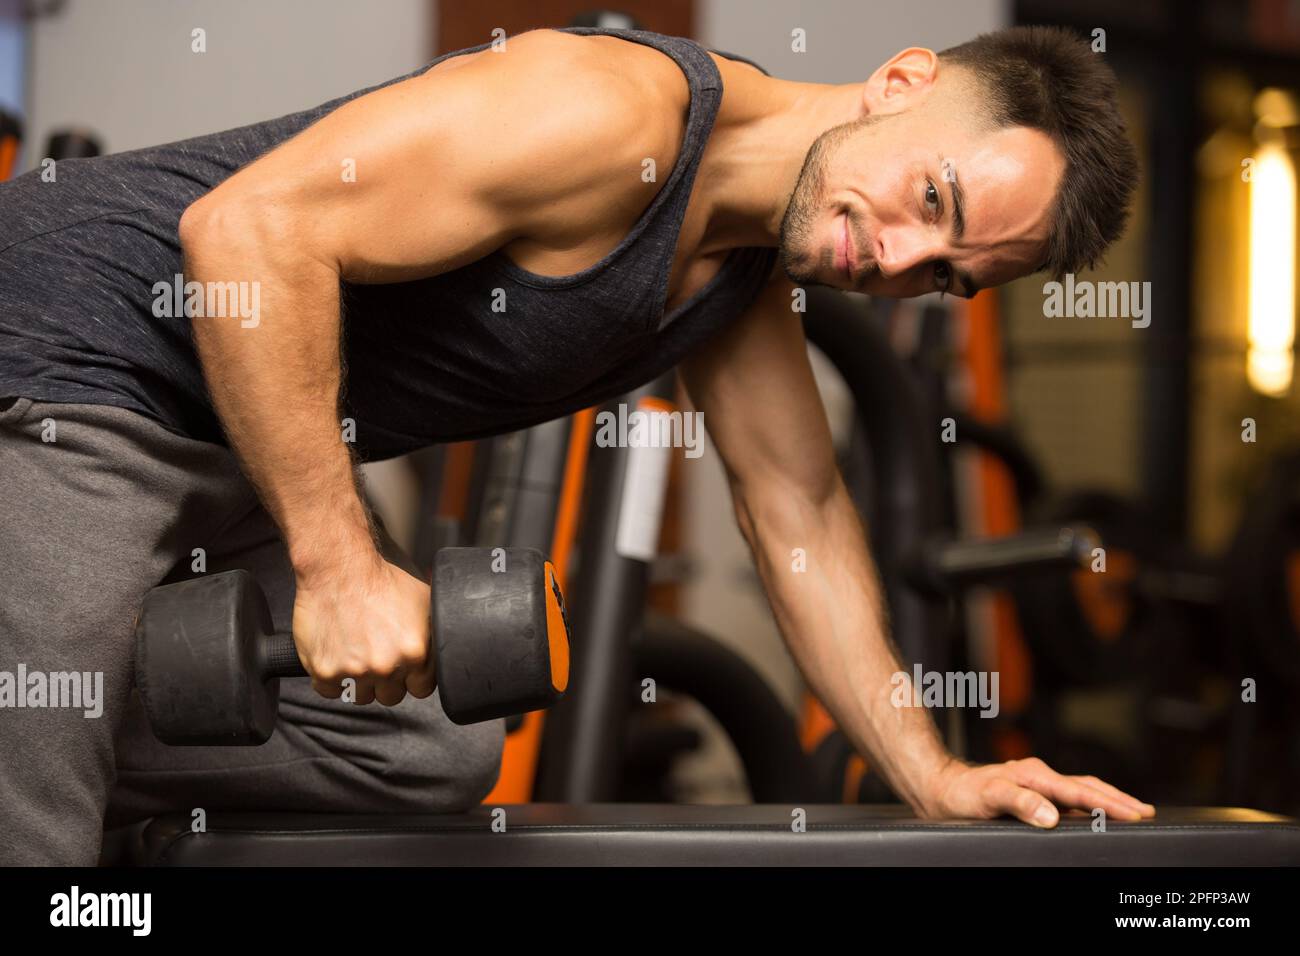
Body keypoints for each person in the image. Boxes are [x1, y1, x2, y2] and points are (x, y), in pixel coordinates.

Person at [0, 23, 1148, 865]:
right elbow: (244, 231)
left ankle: (50, 706)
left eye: (944, 275)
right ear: (901, 81)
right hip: (69, 360)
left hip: (216, 435)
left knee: (418, 756)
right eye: (931, 200)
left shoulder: (742, 272)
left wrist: (933, 774)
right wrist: (338, 566)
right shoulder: (606, 114)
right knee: (40, 826)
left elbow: (796, 504)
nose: (896, 262)